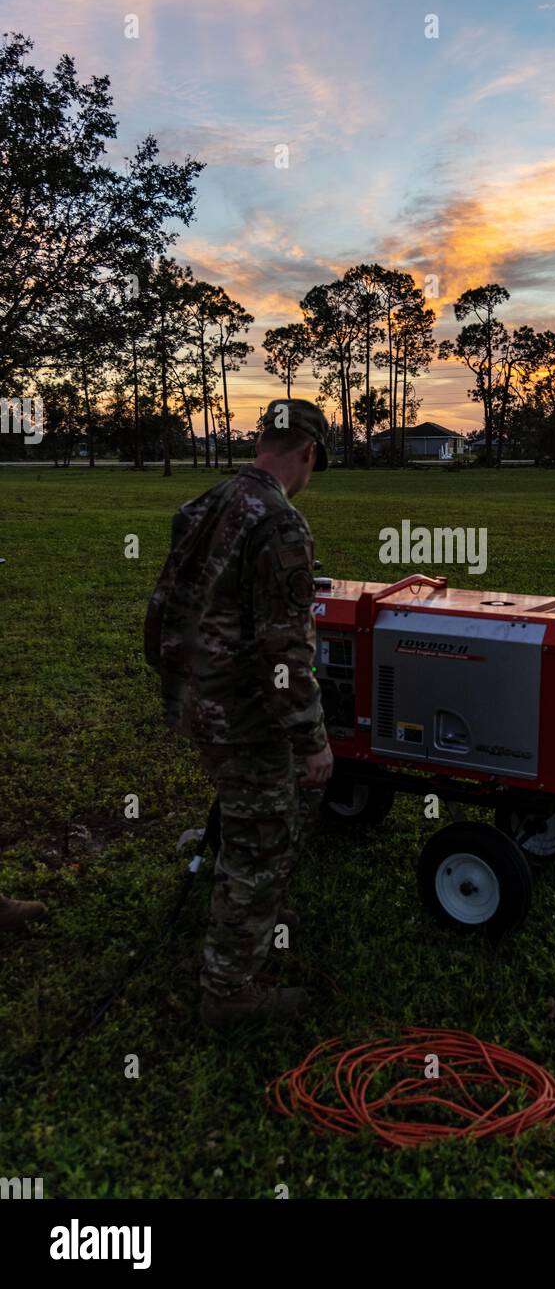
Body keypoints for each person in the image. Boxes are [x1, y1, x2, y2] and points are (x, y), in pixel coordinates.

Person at [144, 399, 333, 1029]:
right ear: (307, 453)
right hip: (244, 713)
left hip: (195, 698)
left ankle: (253, 918)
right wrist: (311, 740)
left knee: (246, 816)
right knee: (262, 842)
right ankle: (228, 994)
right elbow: (285, 649)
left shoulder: (204, 504)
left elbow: (164, 606)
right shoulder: (280, 525)